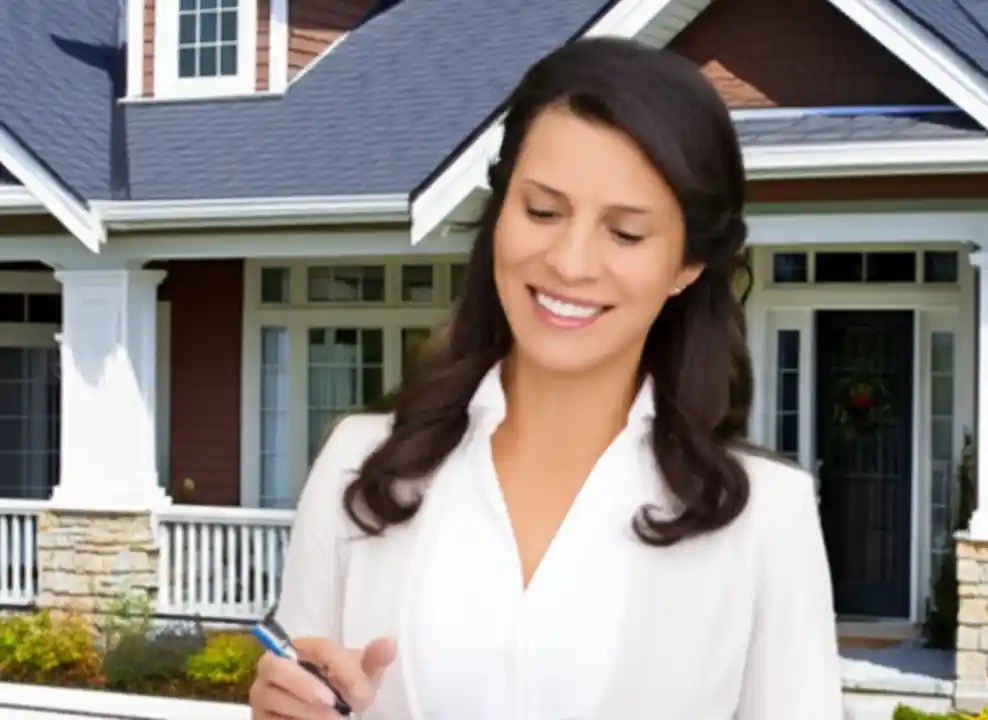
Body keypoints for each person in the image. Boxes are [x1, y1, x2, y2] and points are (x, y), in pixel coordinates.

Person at [249, 36, 842, 720]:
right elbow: (303, 683)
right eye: (542, 211)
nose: (570, 262)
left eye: (625, 234)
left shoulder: (766, 517)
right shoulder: (360, 465)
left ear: (687, 266)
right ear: (501, 213)